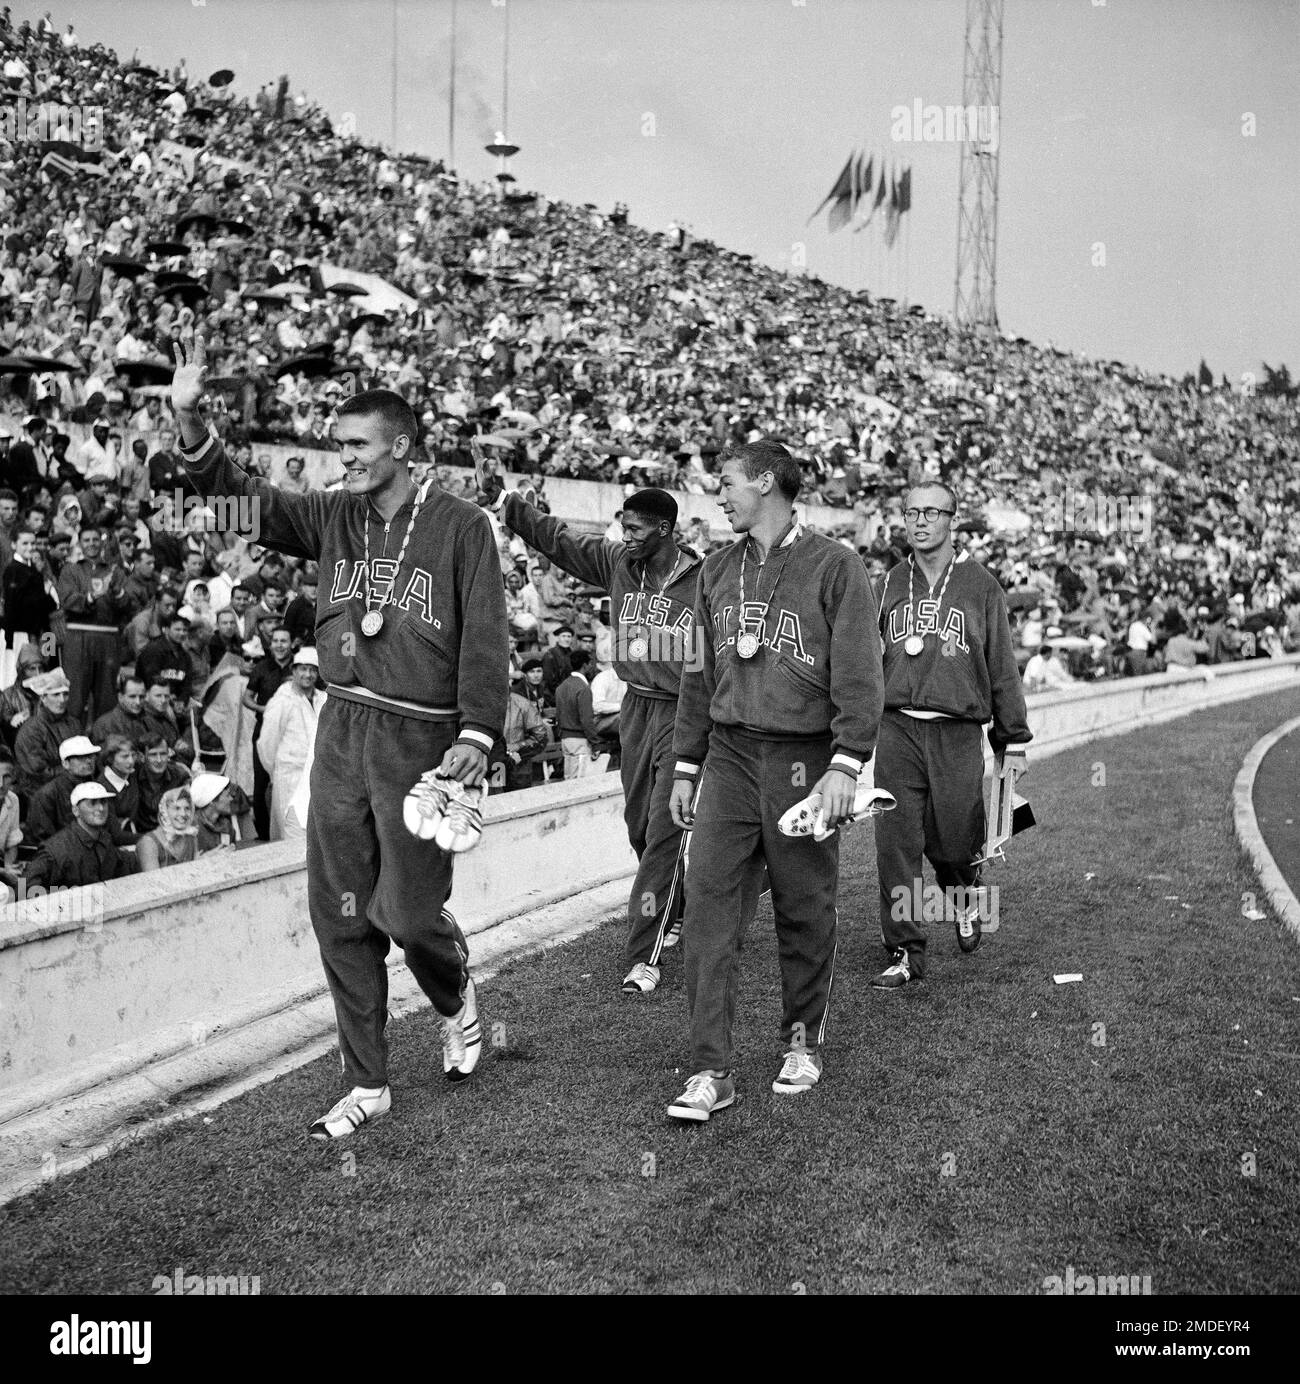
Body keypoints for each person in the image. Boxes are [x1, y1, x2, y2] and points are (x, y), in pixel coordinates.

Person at [171, 338, 508, 1143]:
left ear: (400, 446)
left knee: (408, 910)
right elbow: (238, 501)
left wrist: (478, 734)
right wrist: (190, 421)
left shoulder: (462, 528)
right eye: (337, 445)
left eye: (355, 445)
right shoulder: (330, 514)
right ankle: (367, 1081)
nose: (342, 458)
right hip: (342, 726)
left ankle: (456, 994)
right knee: (340, 912)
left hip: (423, 737)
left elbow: (486, 638)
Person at [666, 439, 884, 1120]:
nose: (719, 496)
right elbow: (696, 675)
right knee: (708, 909)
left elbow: (859, 673)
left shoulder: (835, 566)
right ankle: (710, 1070)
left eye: (727, 483)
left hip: (805, 758)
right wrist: (685, 763)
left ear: (765, 482)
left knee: (803, 906)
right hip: (730, 756)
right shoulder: (715, 570)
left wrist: (847, 762)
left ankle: (801, 1042)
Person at [481, 460, 705, 994]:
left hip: (682, 709)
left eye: (636, 528)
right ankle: (678, 901)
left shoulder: (706, 578)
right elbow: (558, 540)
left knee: (662, 828)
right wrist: (511, 504)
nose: (625, 536)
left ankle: (644, 954)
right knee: (637, 825)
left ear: (665, 531)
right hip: (636, 707)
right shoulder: (617, 563)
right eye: (622, 527)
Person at [872, 483, 1031, 989]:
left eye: (931, 513)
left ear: (952, 520)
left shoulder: (981, 586)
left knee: (955, 841)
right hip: (897, 727)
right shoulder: (890, 581)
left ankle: (964, 894)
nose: (920, 522)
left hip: (958, 731)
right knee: (895, 842)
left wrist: (1013, 741)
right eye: (911, 511)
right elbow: (865, 655)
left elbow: (1001, 665)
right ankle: (905, 949)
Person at [56, 525, 130, 726]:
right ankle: (72, 744)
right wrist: (90, 598)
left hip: (108, 638)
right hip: (78, 637)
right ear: (80, 543)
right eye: (87, 540)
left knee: (106, 696)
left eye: (95, 540)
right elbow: (68, 600)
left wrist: (116, 593)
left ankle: (104, 746)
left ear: (102, 542)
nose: (91, 544)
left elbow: (127, 606)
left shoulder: (116, 571)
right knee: (75, 696)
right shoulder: (70, 570)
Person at [256, 646, 325, 840]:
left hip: (316, 775)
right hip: (289, 775)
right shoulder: (282, 700)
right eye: (303, 669)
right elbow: (267, 743)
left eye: (312, 670)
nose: (308, 675)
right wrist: (276, 771)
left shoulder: (323, 699)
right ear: (293, 671)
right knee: (290, 829)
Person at [26, 781, 138, 889]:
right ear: (75, 811)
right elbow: (25, 887)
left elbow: (123, 863)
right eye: (92, 803)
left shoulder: (105, 839)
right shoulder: (57, 849)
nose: (100, 808)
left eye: (103, 802)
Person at [14, 666, 82, 797]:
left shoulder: (74, 724)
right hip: (42, 794)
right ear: (43, 698)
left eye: (65, 694)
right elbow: (38, 772)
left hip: (74, 790)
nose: (62, 700)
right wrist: (74, 769)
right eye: (56, 694)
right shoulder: (31, 730)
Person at [26, 734, 102, 847]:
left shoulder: (96, 787)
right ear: (65, 764)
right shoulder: (47, 794)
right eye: (80, 757)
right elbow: (44, 839)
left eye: (91, 756)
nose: (88, 761)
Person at [554, 648, 599, 780]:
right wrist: (595, 743)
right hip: (579, 740)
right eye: (590, 664)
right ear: (584, 665)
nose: (591, 667)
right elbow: (586, 720)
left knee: (569, 780)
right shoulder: (583, 688)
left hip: (565, 739)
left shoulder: (561, 686)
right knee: (580, 783)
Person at [134, 732, 191, 834]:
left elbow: (187, 811)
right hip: (141, 834)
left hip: (172, 833)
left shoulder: (180, 776)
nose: (159, 760)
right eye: (153, 755)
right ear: (142, 757)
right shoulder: (133, 776)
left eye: (163, 754)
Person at [136, 785, 199, 870]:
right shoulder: (148, 843)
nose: (183, 814)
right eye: (176, 808)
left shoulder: (190, 836)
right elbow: (153, 881)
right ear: (164, 811)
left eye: (187, 808)